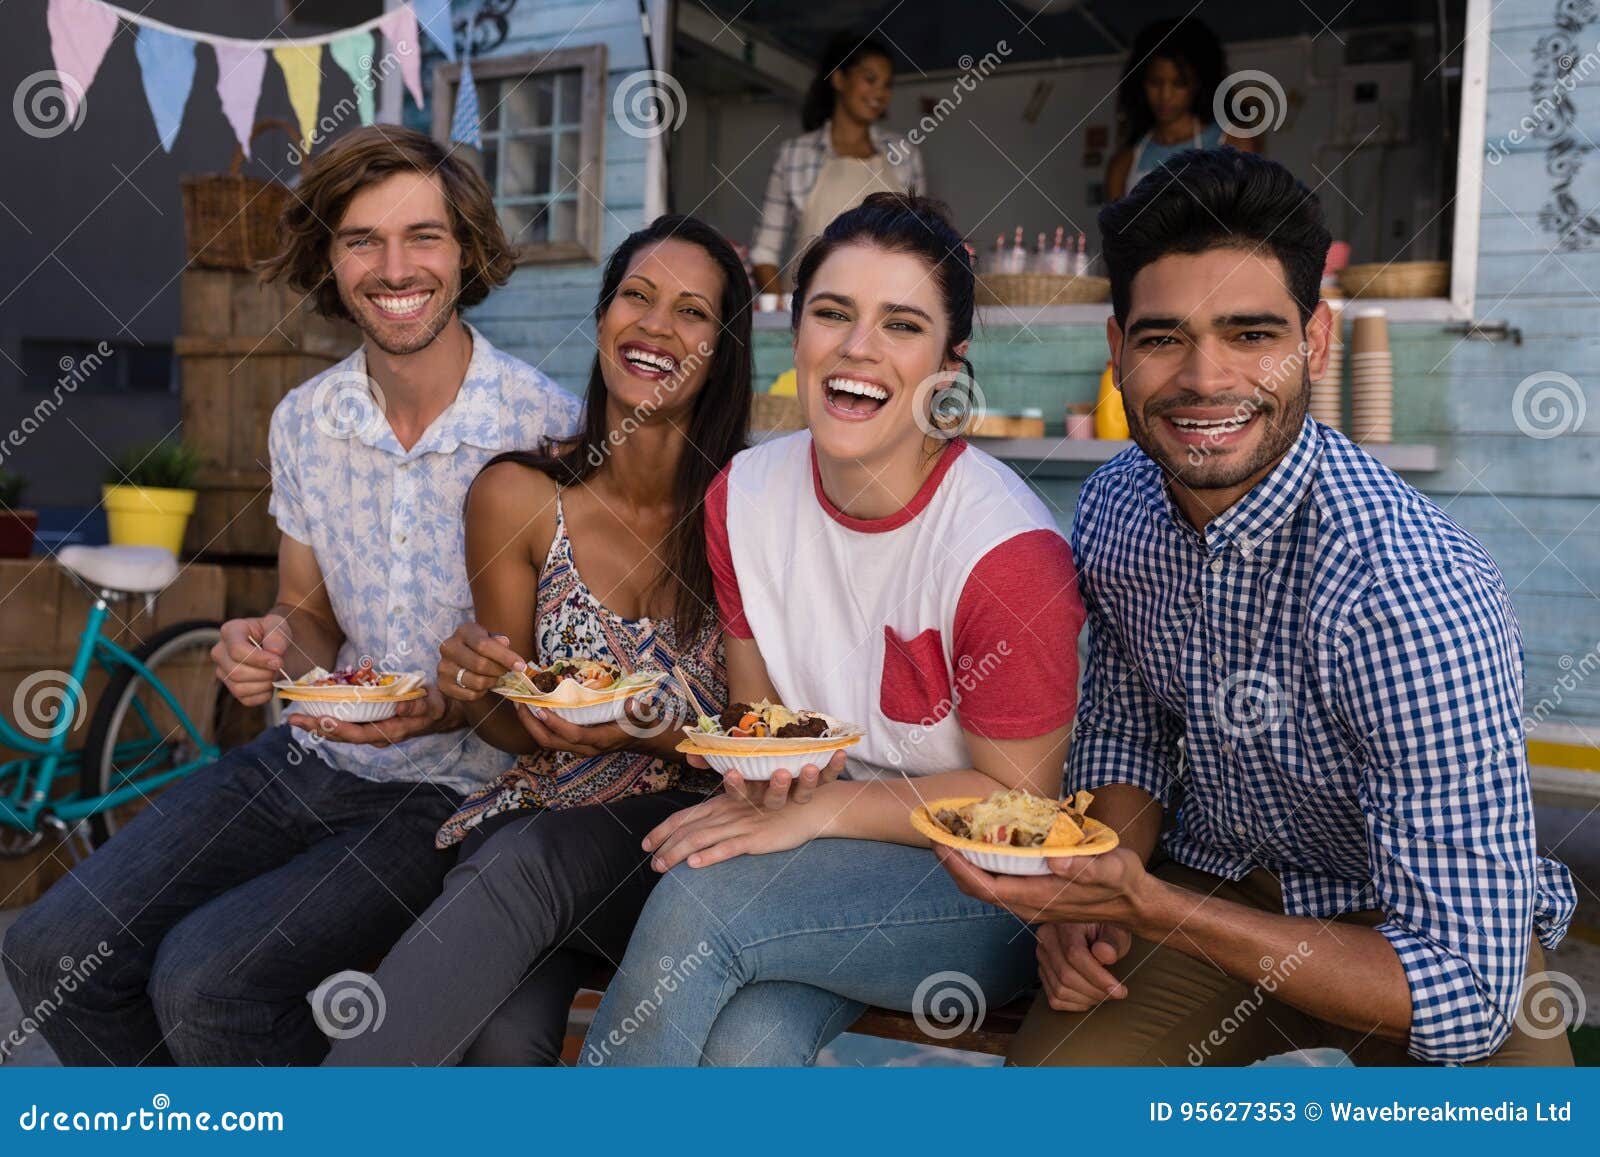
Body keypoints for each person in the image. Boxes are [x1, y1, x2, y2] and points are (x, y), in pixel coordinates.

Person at [934, 148, 1578, 1066]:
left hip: (1416, 930)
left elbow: (1470, 991)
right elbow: (1129, 732)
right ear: (1117, 354)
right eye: (1163, 338)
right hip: (1221, 885)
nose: (1205, 378)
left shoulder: (1411, 589)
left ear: (1314, 341)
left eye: (1250, 334)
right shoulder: (1119, 508)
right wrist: (1093, 894)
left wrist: (1147, 902)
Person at [1, 126, 580, 1066]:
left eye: (423, 236)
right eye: (361, 240)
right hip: (310, 757)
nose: (396, 268)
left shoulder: (546, 426)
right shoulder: (306, 421)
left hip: (458, 789)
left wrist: (457, 699)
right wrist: (267, 642)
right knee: (48, 947)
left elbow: (568, 670)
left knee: (208, 979)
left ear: (466, 250)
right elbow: (308, 611)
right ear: (328, 258)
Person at [581, 192, 1087, 1067]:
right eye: (833, 313)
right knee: (747, 1045)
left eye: (901, 324)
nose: (858, 347)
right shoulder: (741, 497)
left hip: (984, 888)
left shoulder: (1005, 552)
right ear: (796, 337)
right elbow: (766, 735)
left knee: (699, 904)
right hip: (815, 861)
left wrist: (821, 810)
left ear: (949, 363)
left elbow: (1024, 811)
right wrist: (788, 805)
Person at [324, 215, 755, 1065]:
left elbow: (761, 735)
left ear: (723, 350)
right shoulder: (517, 496)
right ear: (602, 321)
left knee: (531, 855)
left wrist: (638, 723)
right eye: (636, 295)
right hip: (540, 840)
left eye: (692, 312)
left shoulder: (750, 509)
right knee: (502, 1043)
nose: (656, 325)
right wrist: (484, 686)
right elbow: (514, 730)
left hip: (683, 856)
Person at [749, 33, 924, 296]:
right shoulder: (795, 154)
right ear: (840, 79)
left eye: (887, 85)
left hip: (888, 305)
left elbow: (920, 243)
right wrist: (785, 317)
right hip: (810, 309)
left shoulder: (905, 154)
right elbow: (764, 252)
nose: (880, 93)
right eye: (870, 79)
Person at [1105, 18, 1259, 201]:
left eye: (1179, 84)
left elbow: (1248, 219)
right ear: (1140, 83)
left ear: (1199, 83)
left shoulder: (1233, 140)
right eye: (1155, 83)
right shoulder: (1123, 164)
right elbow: (1118, 229)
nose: (1165, 95)